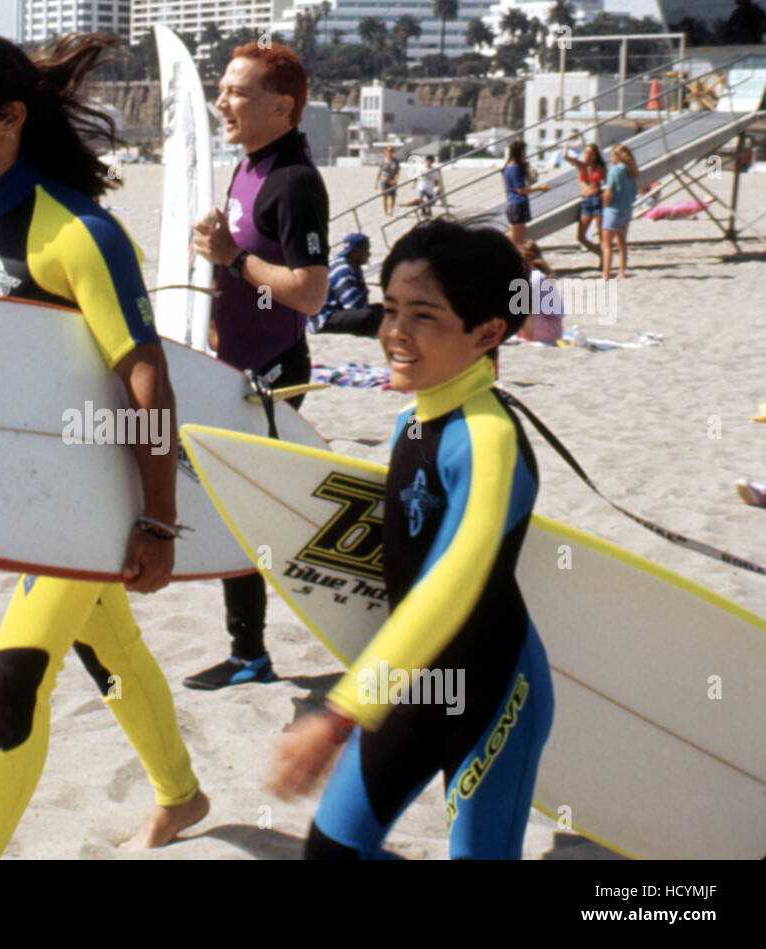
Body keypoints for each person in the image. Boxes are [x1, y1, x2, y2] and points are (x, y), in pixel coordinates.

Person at [0, 30, 208, 859]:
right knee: (106, 645)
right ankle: (182, 794)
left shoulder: (80, 234)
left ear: (10, 118)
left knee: (14, 672)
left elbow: (147, 378)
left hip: (99, 491)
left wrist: (159, 521)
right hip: (24, 503)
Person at [269, 218, 554, 860]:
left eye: (423, 315)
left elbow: (453, 581)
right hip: (411, 684)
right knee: (332, 851)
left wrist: (341, 713)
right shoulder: (415, 419)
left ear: (487, 332)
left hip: (491, 693)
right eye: (390, 308)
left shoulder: (487, 439)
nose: (394, 333)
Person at [186, 41, 330, 690]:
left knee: (240, 508)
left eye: (237, 93)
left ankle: (250, 654)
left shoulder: (294, 181)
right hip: (236, 368)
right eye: (221, 90)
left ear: (283, 106)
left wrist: (232, 260)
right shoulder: (249, 165)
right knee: (234, 505)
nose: (223, 102)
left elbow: (309, 290)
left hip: (275, 369)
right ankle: (249, 653)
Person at [310, 233, 382, 337]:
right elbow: (353, 305)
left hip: (338, 309)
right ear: (356, 251)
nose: (369, 254)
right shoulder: (343, 271)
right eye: (366, 250)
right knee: (368, 316)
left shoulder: (353, 265)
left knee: (380, 309)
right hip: (324, 317)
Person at [560, 134, 605, 258]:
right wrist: (568, 141)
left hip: (597, 199)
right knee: (581, 236)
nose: (587, 155)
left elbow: (608, 184)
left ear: (595, 155)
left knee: (601, 233)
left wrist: (605, 195)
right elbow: (565, 156)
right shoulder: (581, 165)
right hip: (585, 201)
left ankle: (603, 260)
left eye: (590, 153)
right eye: (586, 153)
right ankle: (600, 253)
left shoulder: (600, 168)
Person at [602, 144, 638, 281]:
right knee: (621, 243)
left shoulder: (614, 171)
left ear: (617, 156)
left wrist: (605, 205)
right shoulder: (631, 171)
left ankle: (606, 274)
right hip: (626, 209)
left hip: (613, 209)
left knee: (606, 244)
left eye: (612, 155)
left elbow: (609, 191)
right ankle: (621, 272)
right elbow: (634, 193)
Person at [503, 139, 550, 245]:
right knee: (518, 239)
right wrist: (540, 188)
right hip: (518, 204)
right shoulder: (514, 168)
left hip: (513, 204)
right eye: (524, 152)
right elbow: (521, 190)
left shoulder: (509, 167)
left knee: (513, 234)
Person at [516, 241, 563, 344]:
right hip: (552, 327)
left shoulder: (536, 277)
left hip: (547, 330)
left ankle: (525, 336)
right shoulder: (541, 276)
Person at [375, 145, 400, 216]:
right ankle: (385, 211)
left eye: (391, 151)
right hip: (384, 180)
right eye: (388, 151)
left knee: (392, 196)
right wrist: (376, 182)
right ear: (386, 151)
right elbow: (379, 172)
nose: (390, 152)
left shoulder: (395, 161)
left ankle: (391, 210)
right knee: (384, 196)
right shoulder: (383, 161)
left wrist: (395, 180)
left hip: (392, 180)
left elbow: (397, 172)